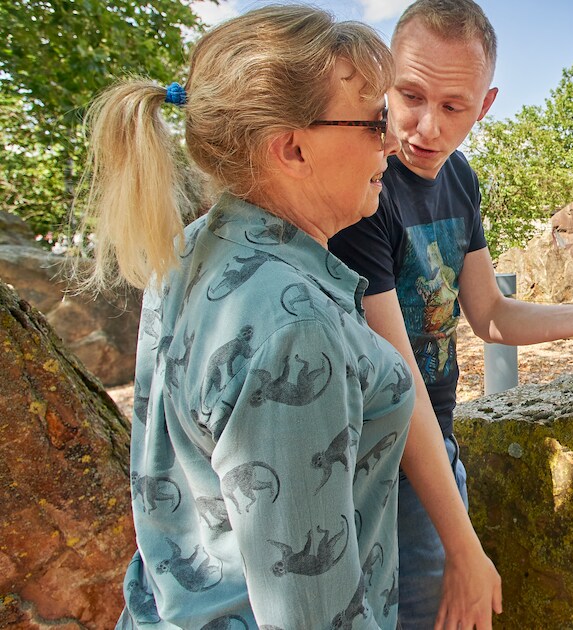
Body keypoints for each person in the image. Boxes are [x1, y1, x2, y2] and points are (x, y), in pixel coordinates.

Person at [79, 5, 498, 628]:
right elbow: (309, 611)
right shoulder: (294, 329)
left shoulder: (189, 249)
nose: (391, 139)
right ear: (292, 148)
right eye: (373, 120)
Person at [328, 1, 573, 627]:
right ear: (385, 80)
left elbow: (489, 313)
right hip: (372, 458)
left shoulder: (460, 180)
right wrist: (463, 545)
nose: (426, 128)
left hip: (436, 444)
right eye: (410, 95)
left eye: (454, 107)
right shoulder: (363, 187)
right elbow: (399, 380)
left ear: (487, 102)